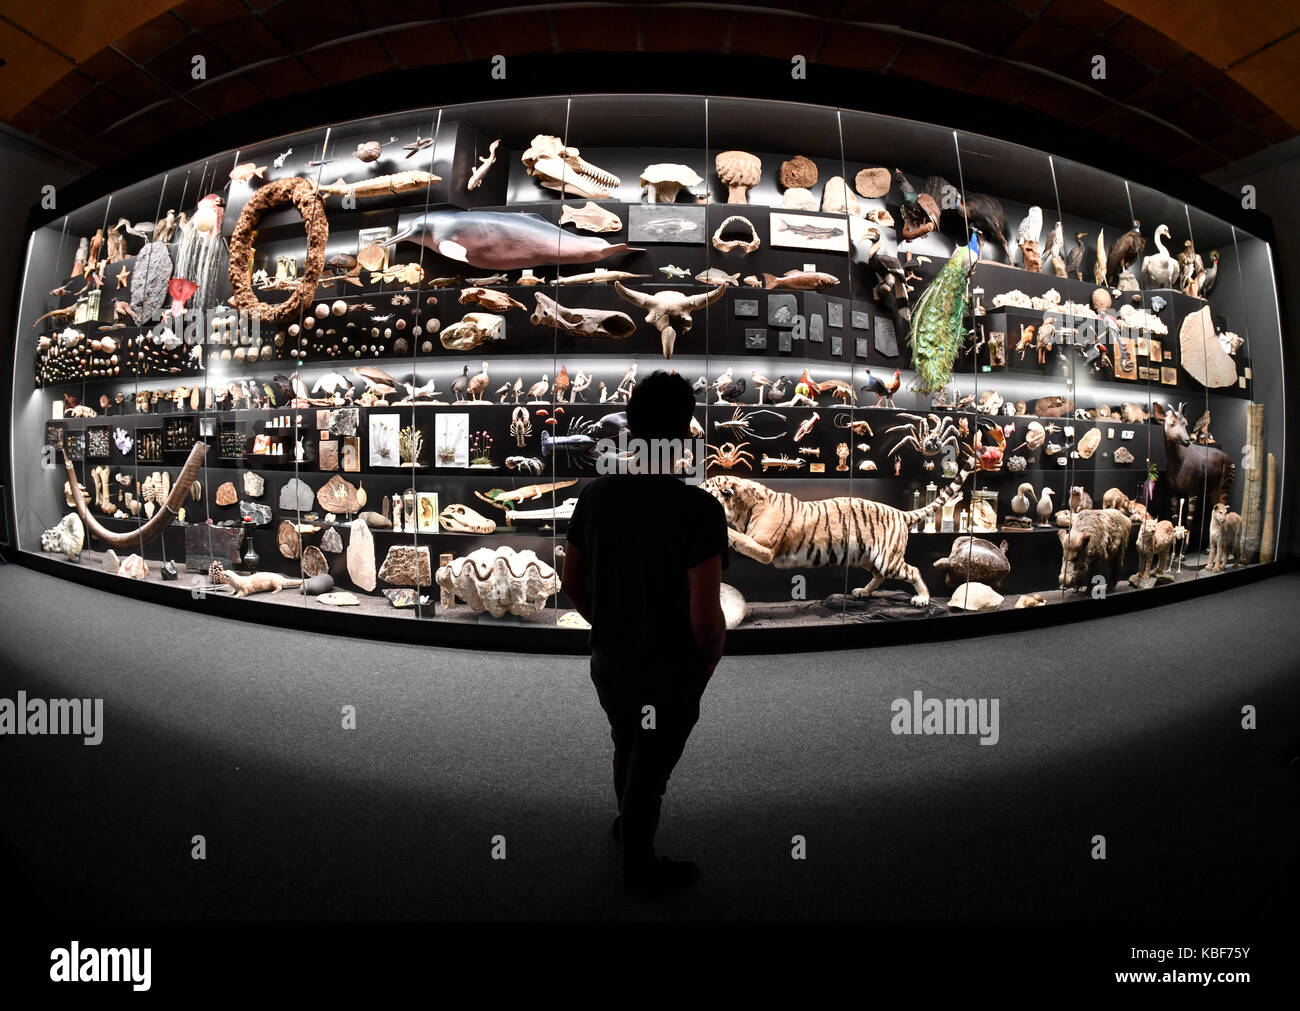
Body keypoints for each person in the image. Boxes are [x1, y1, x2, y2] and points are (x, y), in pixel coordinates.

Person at [561, 370, 728, 896]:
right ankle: (639, 865)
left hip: (610, 658)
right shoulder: (700, 510)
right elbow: (705, 615)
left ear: (630, 426)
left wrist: (609, 624)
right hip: (671, 667)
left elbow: (571, 583)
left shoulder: (595, 497)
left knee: (626, 742)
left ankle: (626, 824)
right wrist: (706, 661)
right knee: (651, 768)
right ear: (685, 433)